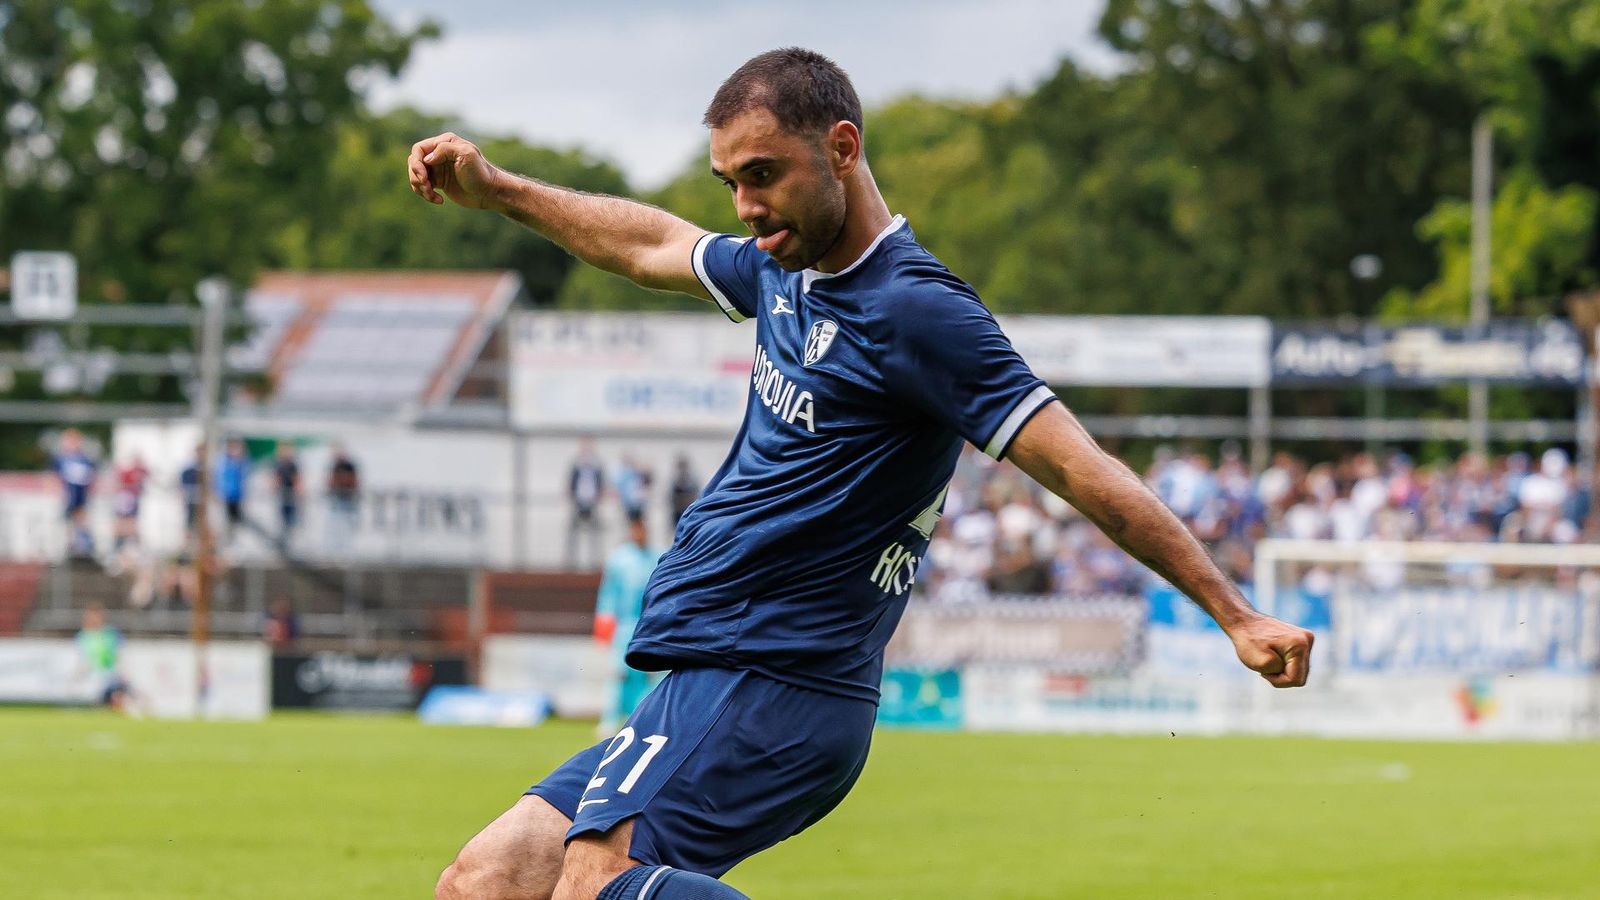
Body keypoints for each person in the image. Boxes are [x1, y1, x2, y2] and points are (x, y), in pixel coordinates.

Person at [412, 48, 1313, 900]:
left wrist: (1234, 612)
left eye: (763, 175)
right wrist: (500, 192)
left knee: (595, 885)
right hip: (717, 667)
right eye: (731, 183)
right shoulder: (784, 271)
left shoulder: (917, 312)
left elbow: (1081, 469)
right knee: (485, 881)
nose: (747, 209)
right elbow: (651, 244)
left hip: (776, 675)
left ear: (841, 148)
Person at [593, 516, 664, 736]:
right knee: (619, 672)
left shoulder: (657, 556)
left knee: (648, 673)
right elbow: (608, 593)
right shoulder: (619, 558)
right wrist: (603, 621)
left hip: (648, 624)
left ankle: (643, 719)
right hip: (624, 625)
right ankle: (610, 719)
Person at [75, 604, 134, 714]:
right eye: (91, 616)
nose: (94, 619)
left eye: (96, 616)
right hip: (92, 677)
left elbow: (120, 655)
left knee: (117, 691)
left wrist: (122, 673)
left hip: (111, 675)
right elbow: (81, 660)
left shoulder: (111, 633)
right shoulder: (82, 636)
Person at [52, 428, 98, 557]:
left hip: (81, 496)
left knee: (80, 518)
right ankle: (70, 545)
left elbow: (91, 477)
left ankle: (82, 545)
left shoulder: (85, 459)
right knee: (68, 520)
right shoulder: (60, 459)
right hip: (67, 495)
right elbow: (54, 477)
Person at [566, 438, 606, 569]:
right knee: (574, 533)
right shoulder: (576, 466)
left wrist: (598, 496)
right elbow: (571, 484)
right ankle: (571, 563)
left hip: (592, 503)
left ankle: (595, 563)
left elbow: (601, 484)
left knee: (594, 533)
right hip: (579, 503)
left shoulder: (597, 467)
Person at [326, 444, 361, 555]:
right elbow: (331, 481)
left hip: (348, 499)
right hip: (337, 500)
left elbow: (354, 481)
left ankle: (347, 550)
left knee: (348, 524)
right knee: (336, 525)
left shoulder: (350, 466)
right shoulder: (335, 466)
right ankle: (336, 549)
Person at [215, 437, 250, 539]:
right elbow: (220, 479)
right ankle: (227, 540)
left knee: (236, 520)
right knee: (227, 519)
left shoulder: (242, 462)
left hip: (238, 496)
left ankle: (234, 539)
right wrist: (219, 492)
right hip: (227, 496)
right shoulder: (224, 462)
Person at [273, 441, 301, 544]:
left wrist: (298, 491)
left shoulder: (293, 465)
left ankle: (290, 542)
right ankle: (284, 542)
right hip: (282, 496)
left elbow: (297, 479)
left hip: (291, 496)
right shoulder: (279, 465)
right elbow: (276, 479)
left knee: (291, 520)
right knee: (282, 520)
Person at [667, 455, 699, 529]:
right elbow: (671, 497)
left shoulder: (692, 480)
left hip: (688, 510)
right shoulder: (675, 480)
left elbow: (696, 495)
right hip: (678, 511)